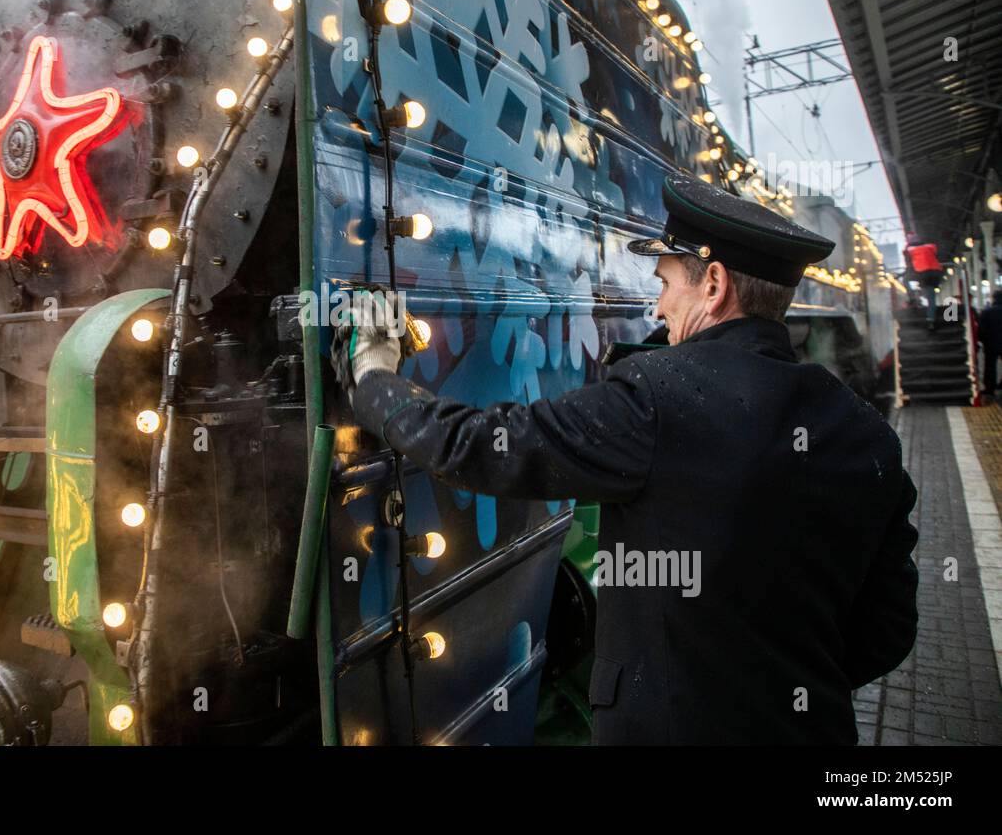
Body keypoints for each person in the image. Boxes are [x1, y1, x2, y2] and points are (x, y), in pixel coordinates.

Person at [334, 173, 919, 745]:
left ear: (713, 285)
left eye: (666, 284)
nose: (658, 309)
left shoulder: (659, 398)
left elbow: (488, 446)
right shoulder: (866, 433)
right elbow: (888, 631)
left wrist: (374, 379)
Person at [904, 237, 943, 327]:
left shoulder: (909, 251)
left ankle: (912, 298)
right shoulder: (930, 248)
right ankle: (931, 319)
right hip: (935, 273)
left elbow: (909, 265)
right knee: (931, 297)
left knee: (905, 280)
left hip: (922, 273)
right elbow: (936, 258)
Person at [979, 290, 1002, 395]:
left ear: (993, 299)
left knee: (990, 367)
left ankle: (990, 388)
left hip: (991, 343)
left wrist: (982, 341)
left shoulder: (987, 312)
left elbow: (981, 329)